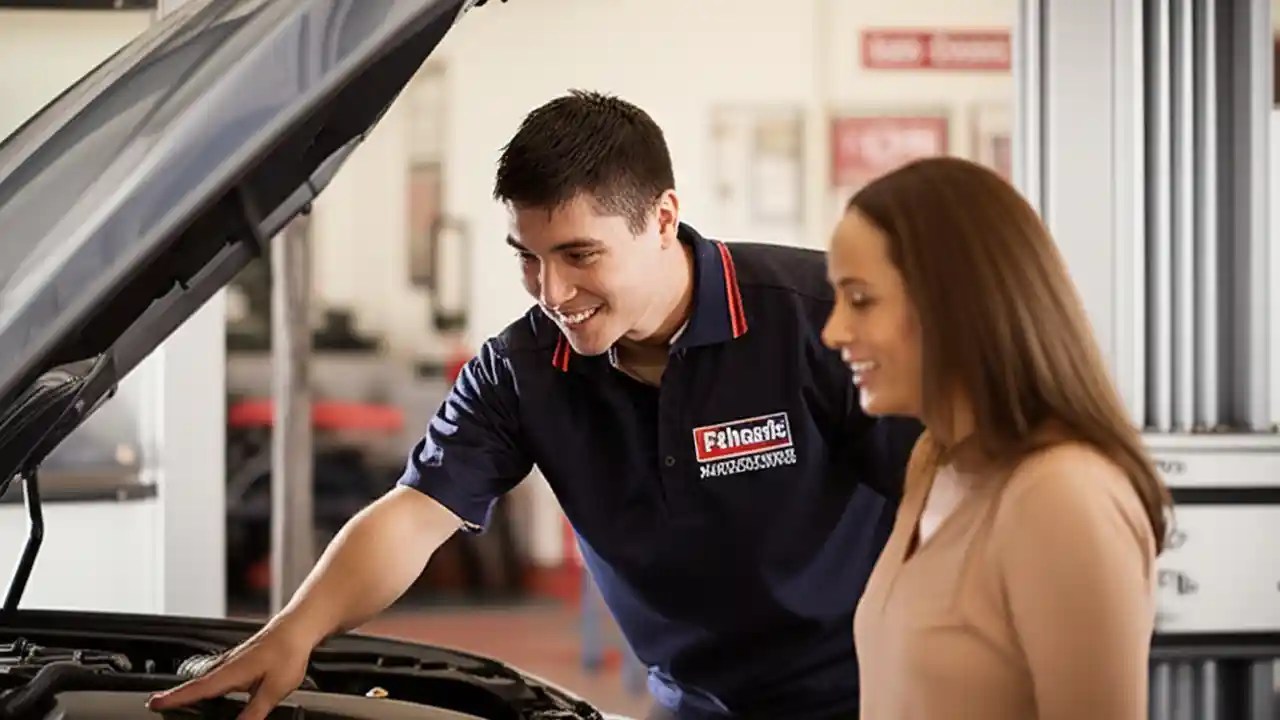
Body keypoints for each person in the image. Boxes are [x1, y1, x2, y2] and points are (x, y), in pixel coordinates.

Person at [145, 90, 921, 720]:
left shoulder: (817, 315)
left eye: (581, 256)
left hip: (872, 698)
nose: (553, 294)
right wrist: (296, 630)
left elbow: (947, 496)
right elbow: (415, 512)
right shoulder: (523, 369)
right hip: (692, 705)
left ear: (661, 219)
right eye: (529, 259)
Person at [820, 155, 1172, 720]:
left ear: (954, 302)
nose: (833, 331)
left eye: (861, 300)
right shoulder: (933, 462)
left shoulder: (1061, 496)